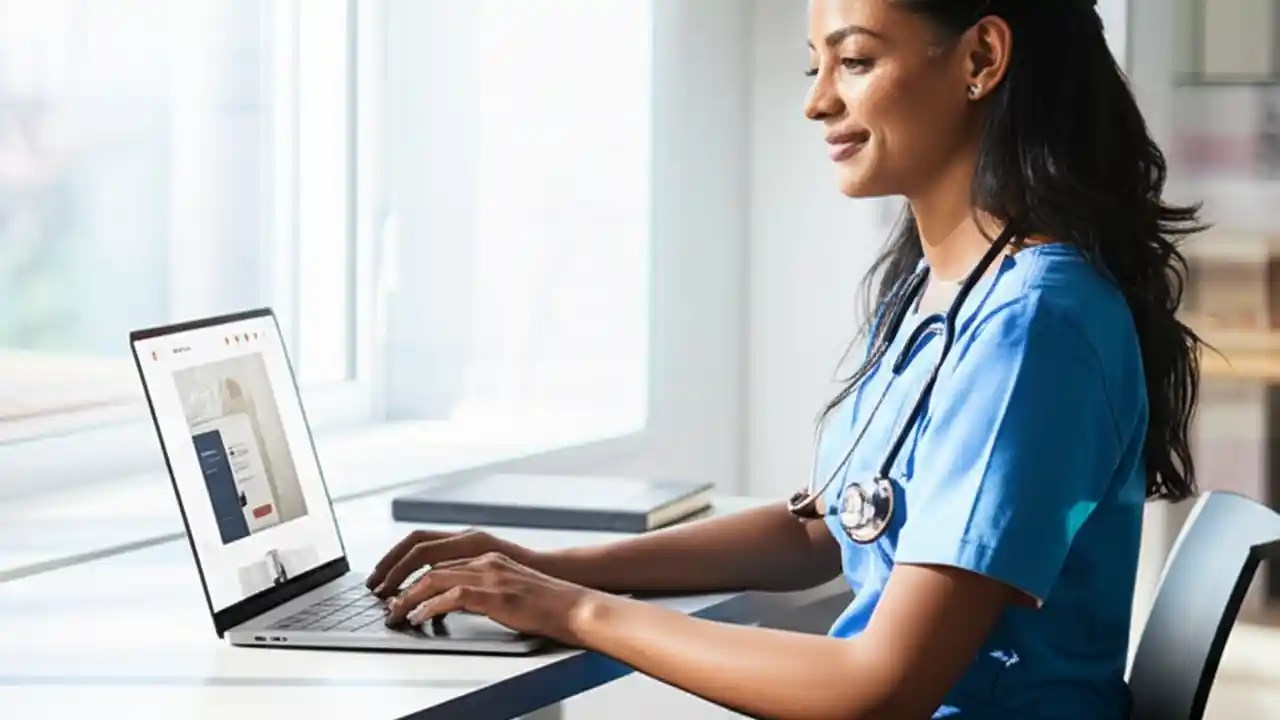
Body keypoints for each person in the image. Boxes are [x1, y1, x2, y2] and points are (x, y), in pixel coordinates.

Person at [365, 1, 1205, 717]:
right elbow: (826, 528)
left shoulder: (1032, 327)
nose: (816, 102)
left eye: (855, 61)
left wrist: (576, 611)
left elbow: (881, 686)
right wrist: (546, 565)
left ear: (980, 58)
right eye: (815, 66)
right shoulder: (943, 286)